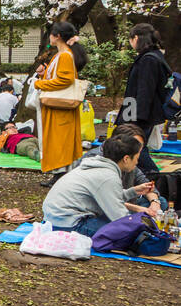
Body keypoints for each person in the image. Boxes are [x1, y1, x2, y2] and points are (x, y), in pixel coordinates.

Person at [42, 133, 147, 236]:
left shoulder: (96, 165)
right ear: (126, 159)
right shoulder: (108, 176)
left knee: (135, 221)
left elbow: (109, 196)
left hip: (52, 220)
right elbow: (120, 218)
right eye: (137, 158)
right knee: (133, 232)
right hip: (68, 225)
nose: (137, 162)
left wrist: (132, 192)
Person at [33, 21, 87, 179]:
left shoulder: (64, 55)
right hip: (58, 106)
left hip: (59, 107)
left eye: (51, 34)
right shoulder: (62, 55)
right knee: (59, 139)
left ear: (57, 37)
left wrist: (40, 83)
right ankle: (59, 173)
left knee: (59, 140)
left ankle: (60, 174)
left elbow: (65, 80)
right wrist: (44, 74)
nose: (49, 37)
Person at [118, 23, 172, 175]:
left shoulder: (148, 59)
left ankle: (153, 177)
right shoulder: (154, 56)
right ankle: (146, 179)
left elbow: (145, 90)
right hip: (138, 111)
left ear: (136, 38)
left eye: (131, 39)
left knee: (134, 147)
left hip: (138, 113)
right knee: (136, 147)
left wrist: (136, 119)